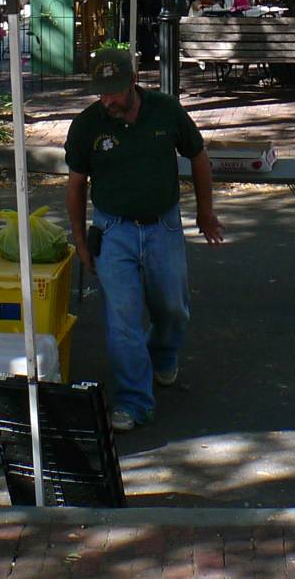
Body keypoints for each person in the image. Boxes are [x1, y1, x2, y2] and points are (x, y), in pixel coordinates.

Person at [64, 48, 223, 433]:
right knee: (123, 318)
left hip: (162, 225)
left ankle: (163, 354)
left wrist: (205, 210)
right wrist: (81, 240)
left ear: (133, 82)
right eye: (101, 92)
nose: (107, 100)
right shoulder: (86, 125)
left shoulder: (166, 111)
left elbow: (198, 155)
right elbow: (76, 184)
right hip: (113, 230)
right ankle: (133, 399)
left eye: (114, 92)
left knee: (172, 308)